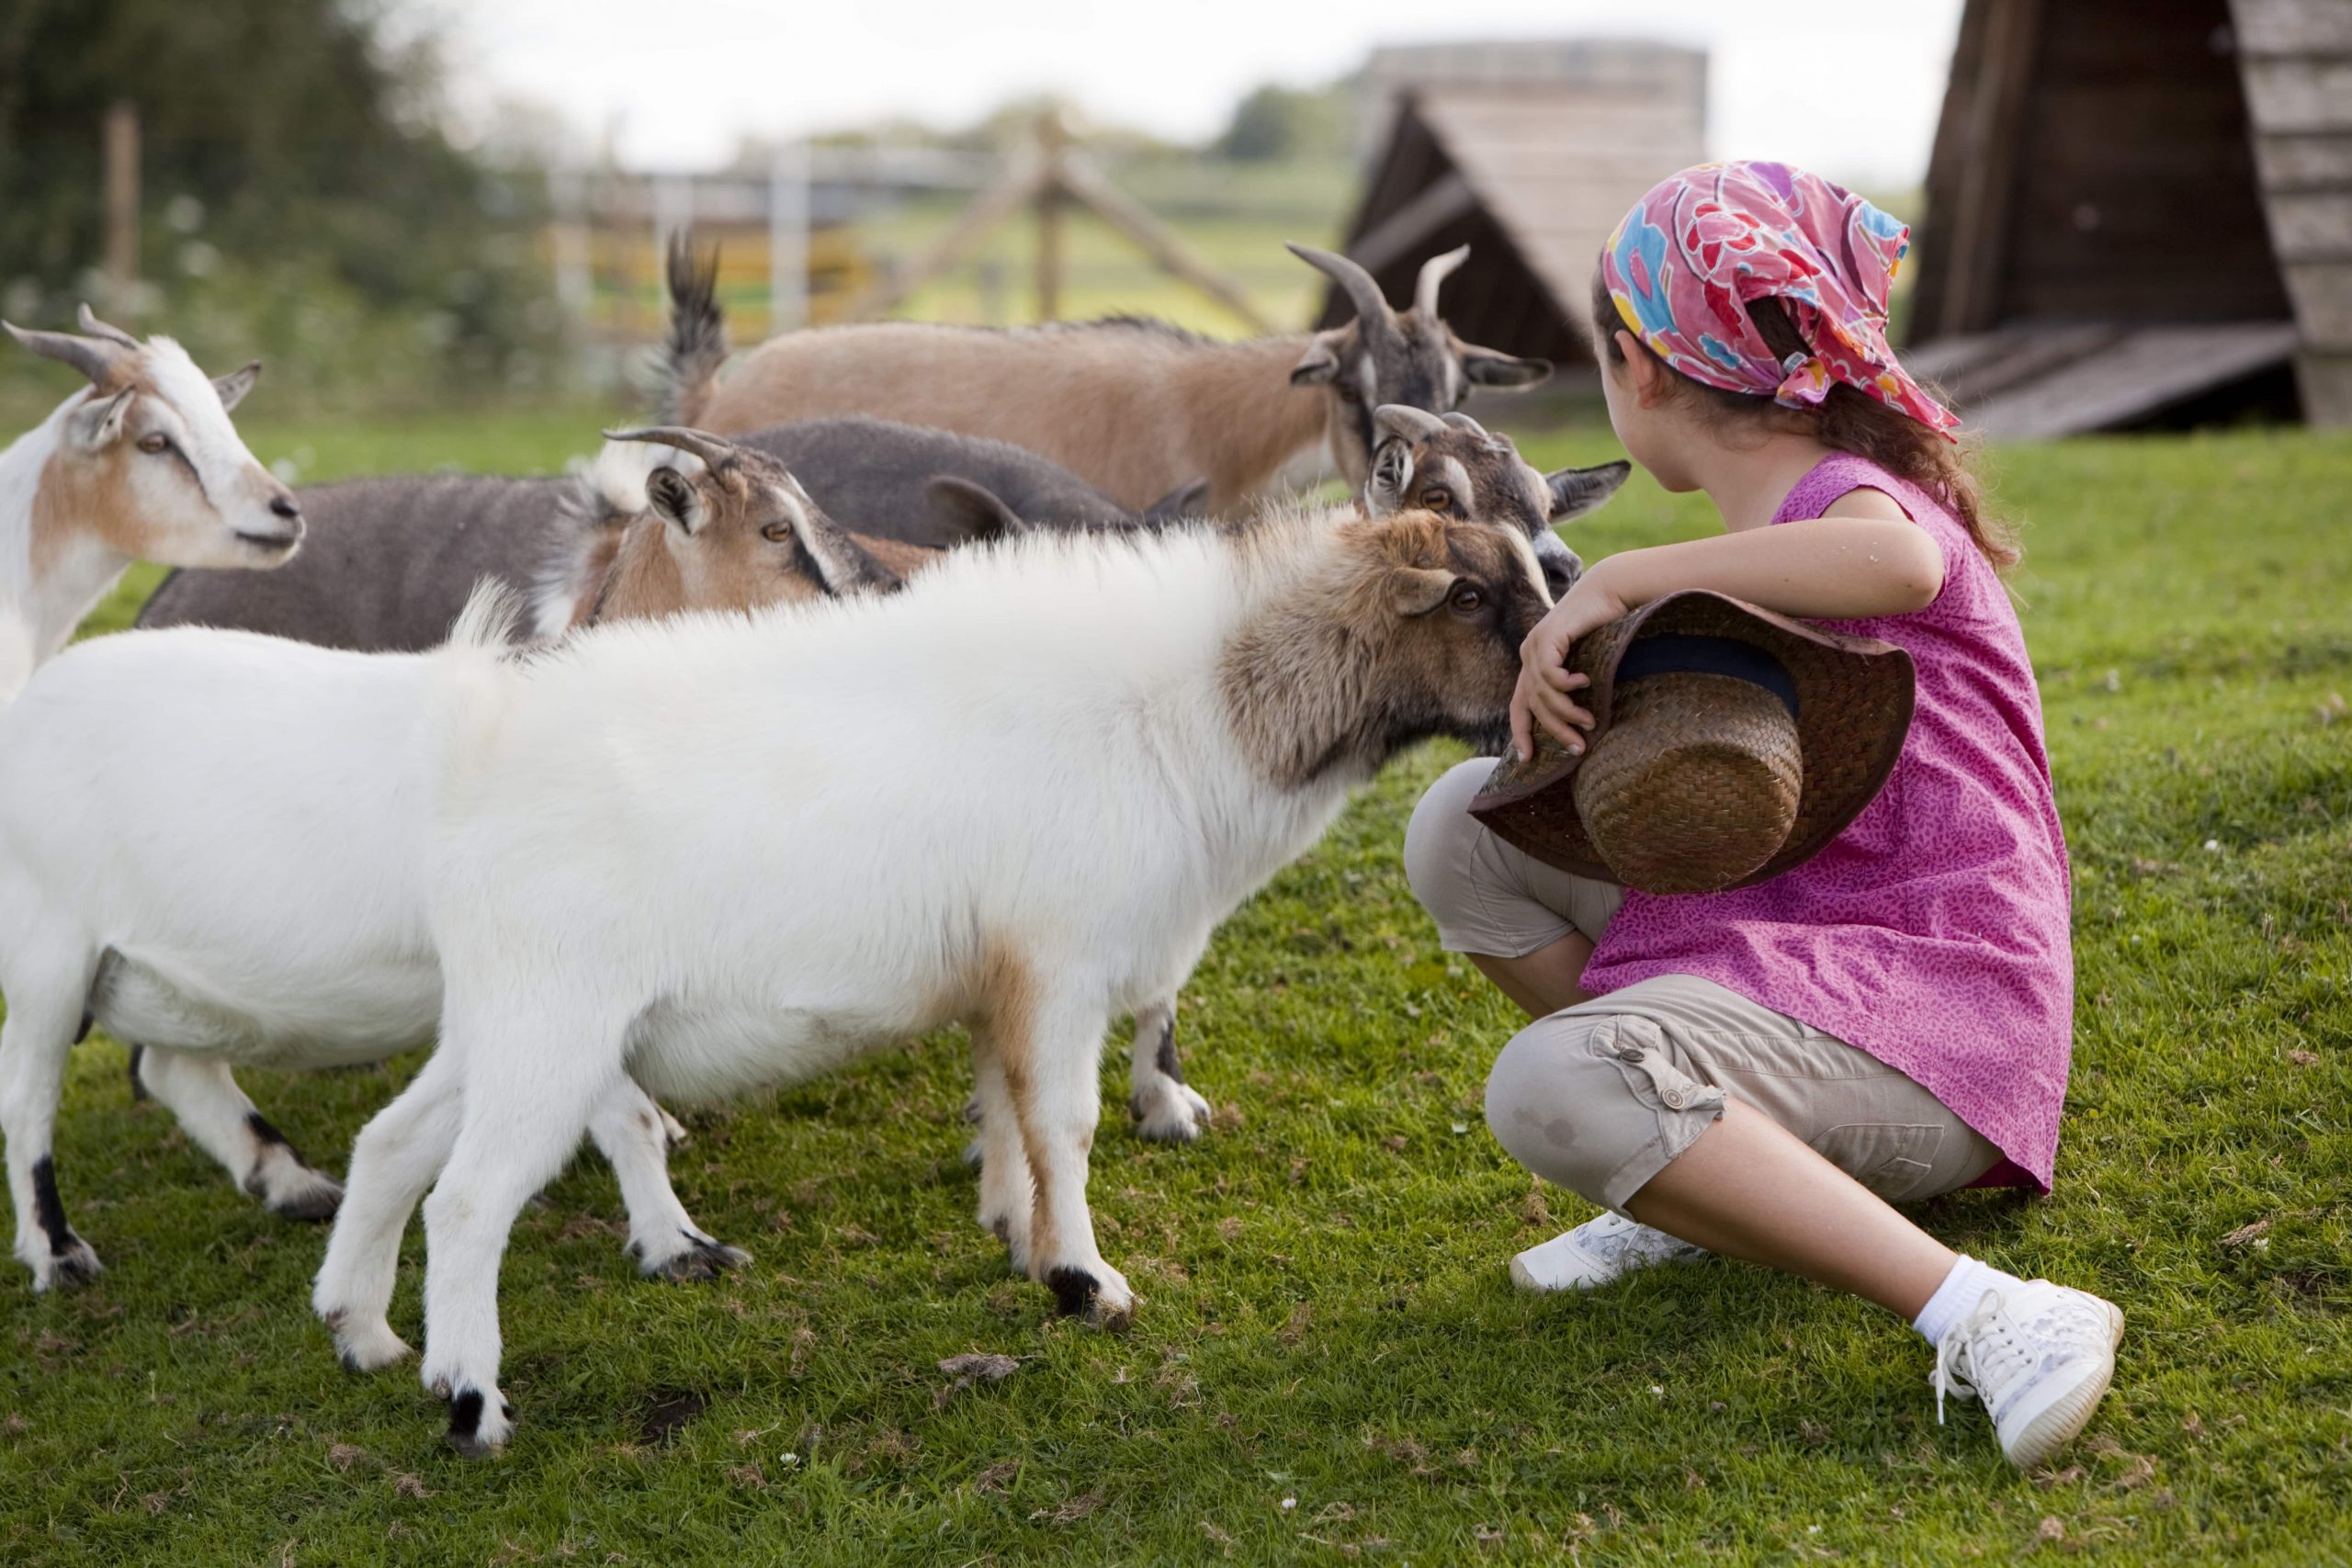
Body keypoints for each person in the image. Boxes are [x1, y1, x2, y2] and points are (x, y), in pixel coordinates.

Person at [1402, 162, 2118, 1469]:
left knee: (1552, 1080)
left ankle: (1993, 1314)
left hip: (1945, 1022)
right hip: (1813, 961)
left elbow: (1901, 560)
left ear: (1641, 369)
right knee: (1469, 826)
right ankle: (1704, 1176)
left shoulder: (1850, 502)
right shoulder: (1784, 522)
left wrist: (1623, 573)